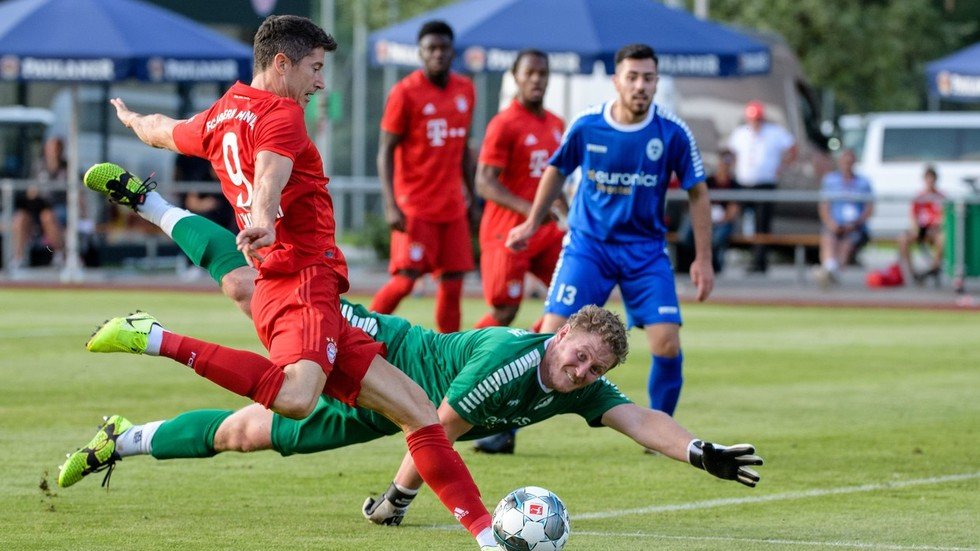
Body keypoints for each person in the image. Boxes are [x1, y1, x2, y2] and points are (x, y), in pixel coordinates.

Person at [83, 14, 495, 549]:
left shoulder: (221, 114)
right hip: (300, 280)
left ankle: (489, 537)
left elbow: (165, 131)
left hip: (295, 281)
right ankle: (155, 337)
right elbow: (272, 170)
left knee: (419, 411)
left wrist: (131, 118)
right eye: (315, 68)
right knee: (298, 399)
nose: (320, 82)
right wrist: (261, 214)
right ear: (282, 64)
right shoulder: (281, 114)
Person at [59, 298, 764, 527]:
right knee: (258, 296)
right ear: (559, 333)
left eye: (593, 370)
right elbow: (435, 430)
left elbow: (639, 418)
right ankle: (157, 238)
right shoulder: (510, 361)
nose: (582, 372)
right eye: (579, 355)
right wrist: (396, 500)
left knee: (248, 433)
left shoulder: (577, 387)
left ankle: (126, 439)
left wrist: (701, 450)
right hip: (375, 350)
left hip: (384, 407)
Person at [505, 44, 715, 450]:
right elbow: (555, 169)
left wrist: (703, 259)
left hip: (645, 252)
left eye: (648, 78)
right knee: (549, 338)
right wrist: (533, 221)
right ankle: (503, 426)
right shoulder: (587, 125)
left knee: (666, 342)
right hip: (589, 248)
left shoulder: (672, 133)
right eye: (632, 77)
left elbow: (698, 193)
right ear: (617, 81)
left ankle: (660, 435)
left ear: (656, 82)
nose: (640, 85)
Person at [371, 20, 477, 333]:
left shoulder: (465, 90)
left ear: (452, 51)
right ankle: (356, 333)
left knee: (453, 283)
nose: (438, 54)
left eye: (444, 48)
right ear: (421, 52)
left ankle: (449, 354)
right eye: (431, 48)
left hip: (453, 205)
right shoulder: (405, 92)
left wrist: (471, 197)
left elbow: (462, 149)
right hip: (415, 204)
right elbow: (385, 151)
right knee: (405, 279)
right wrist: (391, 204)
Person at [473, 49, 565, 329]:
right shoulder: (504, 123)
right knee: (504, 311)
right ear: (516, 77)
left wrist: (570, 218)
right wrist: (531, 212)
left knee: (571, 297)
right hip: (508, 232)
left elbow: (556, 177)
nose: (537, 79)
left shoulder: (556, 124)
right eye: (530, 73)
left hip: (545, 232)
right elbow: (484, 182)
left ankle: (534, 351)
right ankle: (454, 358)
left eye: (543, 73)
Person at [726, 100, 797, 273]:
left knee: (762, 224)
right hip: (744, 183)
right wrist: (733, 167)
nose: (755, 123)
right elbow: (730, 152)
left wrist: (782, 167)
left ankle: (760, 261)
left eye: (758, 119)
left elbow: (793, 147)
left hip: (765, 183)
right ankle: (731, 255)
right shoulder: (741, 133)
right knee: (736, 218)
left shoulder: (774, 132)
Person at [815, 148, 874, 287]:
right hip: (834, 224)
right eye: (844, 161)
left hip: (855, 226)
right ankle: (830, 269)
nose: (847, 164)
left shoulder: (863, 182)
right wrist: (831, 223)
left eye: (850, 161)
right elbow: (824, 206)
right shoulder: (830, 180)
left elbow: (869, 208)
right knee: (829, 237)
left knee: (847, 241)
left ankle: (832, 272)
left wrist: (856, 223)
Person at [677, 148, 740, 274]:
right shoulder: (708, 181)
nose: (724, 166)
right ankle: (687, 264)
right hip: (705, 217)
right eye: (723, 161)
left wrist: (719, 219)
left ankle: (713, 265)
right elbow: (696, 202)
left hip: (721, 221)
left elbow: (733, 210)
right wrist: (705, 218)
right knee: (686, 233)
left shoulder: (734, 184)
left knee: (716, 237)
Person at [11, 136, 66, 270]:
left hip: (59, 208)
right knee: (20, 219)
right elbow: (30, 190)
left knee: (47, 217)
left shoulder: (67, 168)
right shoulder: (38, 166)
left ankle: (59, 255)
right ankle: (18, 258)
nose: (52, 151)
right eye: (50, 148)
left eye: (55, 148)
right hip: (37, 206)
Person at [898, 165, 944, 285]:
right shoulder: (919, 197)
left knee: (942, 239)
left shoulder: (941, 197)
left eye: (932, 179)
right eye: (927, 178)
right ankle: (913, 273)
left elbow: (943, 218)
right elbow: (913, 217)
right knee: (903, 239)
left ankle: (934, 269)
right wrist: (916, 229)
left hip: (935, 229)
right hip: (921, 228)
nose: (930, 182)